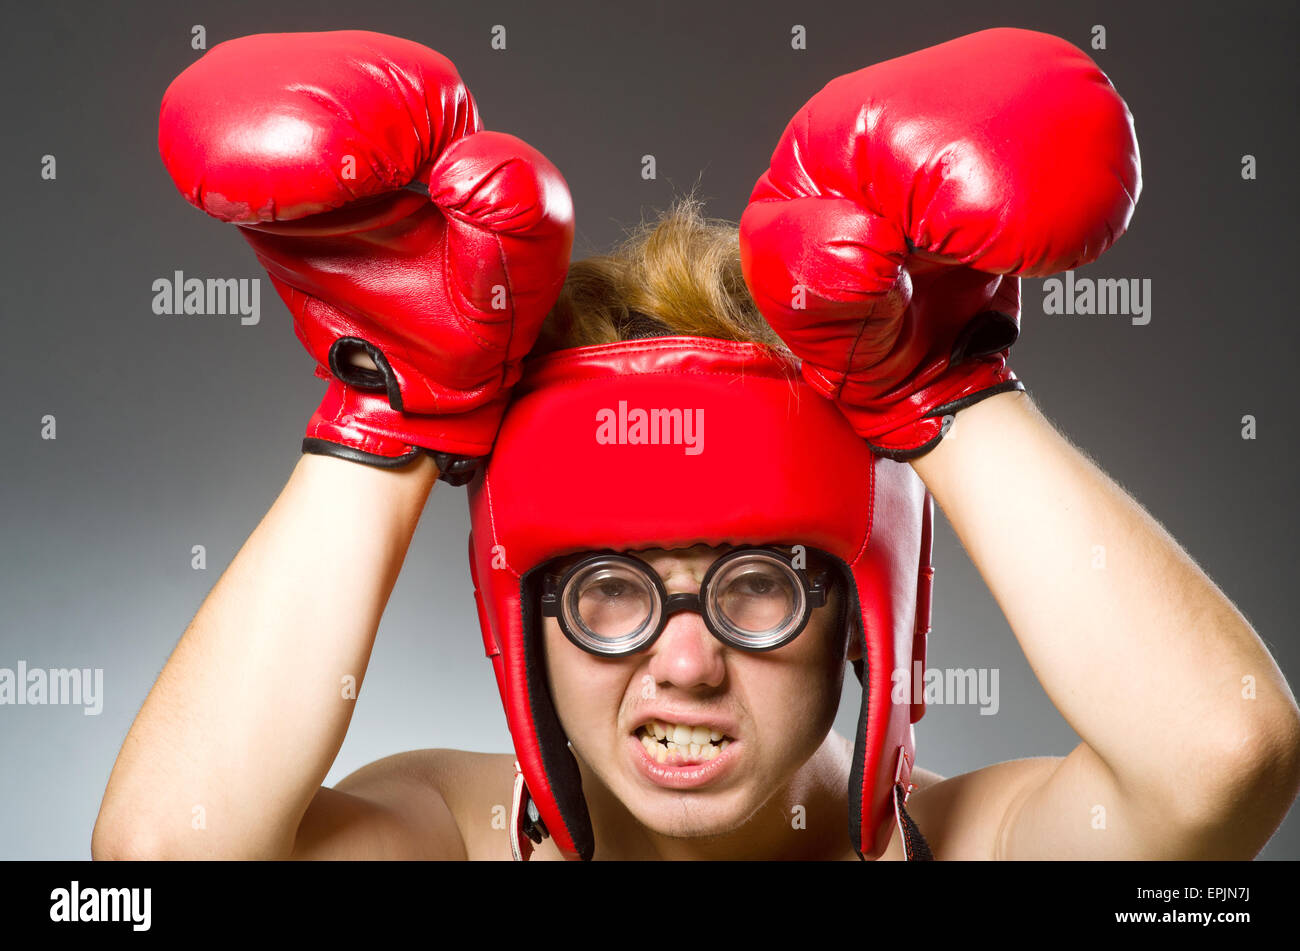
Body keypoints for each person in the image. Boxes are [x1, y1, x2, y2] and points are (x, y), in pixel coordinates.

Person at [93, 29, 1300, 862]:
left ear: (861, 609)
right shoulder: (456, 831)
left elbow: (1222, 755)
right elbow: (156, 868)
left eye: (758, 585)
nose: (682, 667)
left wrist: (942, 393)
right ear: (522, 619)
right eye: (610, 592)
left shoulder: (973, 846)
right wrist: (388, 416)